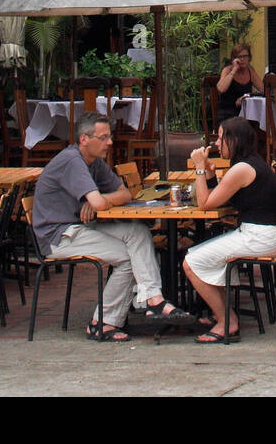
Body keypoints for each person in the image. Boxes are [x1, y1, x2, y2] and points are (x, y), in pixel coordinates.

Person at [31, 112, 192, 341]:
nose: (110, 142)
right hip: (58, 236)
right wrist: (96, 201)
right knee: (127, 257)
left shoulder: (94, 163)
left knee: (137, 232)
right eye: (104, 137)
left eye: (109, 136)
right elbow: (100, 202)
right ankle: (103, 322)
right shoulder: (72, 160)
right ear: (84, 139)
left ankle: (153, 299)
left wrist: (99, 200)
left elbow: (126, 194)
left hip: (81, 227)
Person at [183, 116, 276, 343]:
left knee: (190, 263)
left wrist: (199, 168)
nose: (217, 144)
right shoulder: (249, 163)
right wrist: (210, 174)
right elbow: (220, 200)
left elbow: (205, 204)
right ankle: (222, 315)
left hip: (261, 236)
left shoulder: (242, 168)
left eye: (221, 138)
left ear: (235, 140)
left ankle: (226, 322)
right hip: (263, 234)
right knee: (199, 256)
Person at [215, 43, 263, 121]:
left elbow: (263, 90)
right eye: (239, 57)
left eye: (245, 56)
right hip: (228, 114)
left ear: (249, 58)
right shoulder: (227, 70)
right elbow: (221, 89)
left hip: (245, 114)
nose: (242, 59)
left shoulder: (250, 71)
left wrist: (247, 96)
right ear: (234, 59)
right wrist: (234, 69)